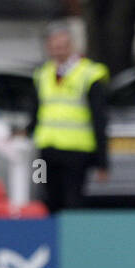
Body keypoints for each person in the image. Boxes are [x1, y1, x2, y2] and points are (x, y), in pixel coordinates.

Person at [28, 22, 110, 212]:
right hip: (47, 150)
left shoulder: (89, 74)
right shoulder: (43, 74)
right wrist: (26, 131)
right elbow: (36, 111)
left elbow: (100, 119)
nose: (58, 51)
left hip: (77, 150)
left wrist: (102, 160)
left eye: (62, 46)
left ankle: (71, 240)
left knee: (73, 201)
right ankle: (51, 240)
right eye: (54, 46)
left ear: (71, 45)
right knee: (48, 198)